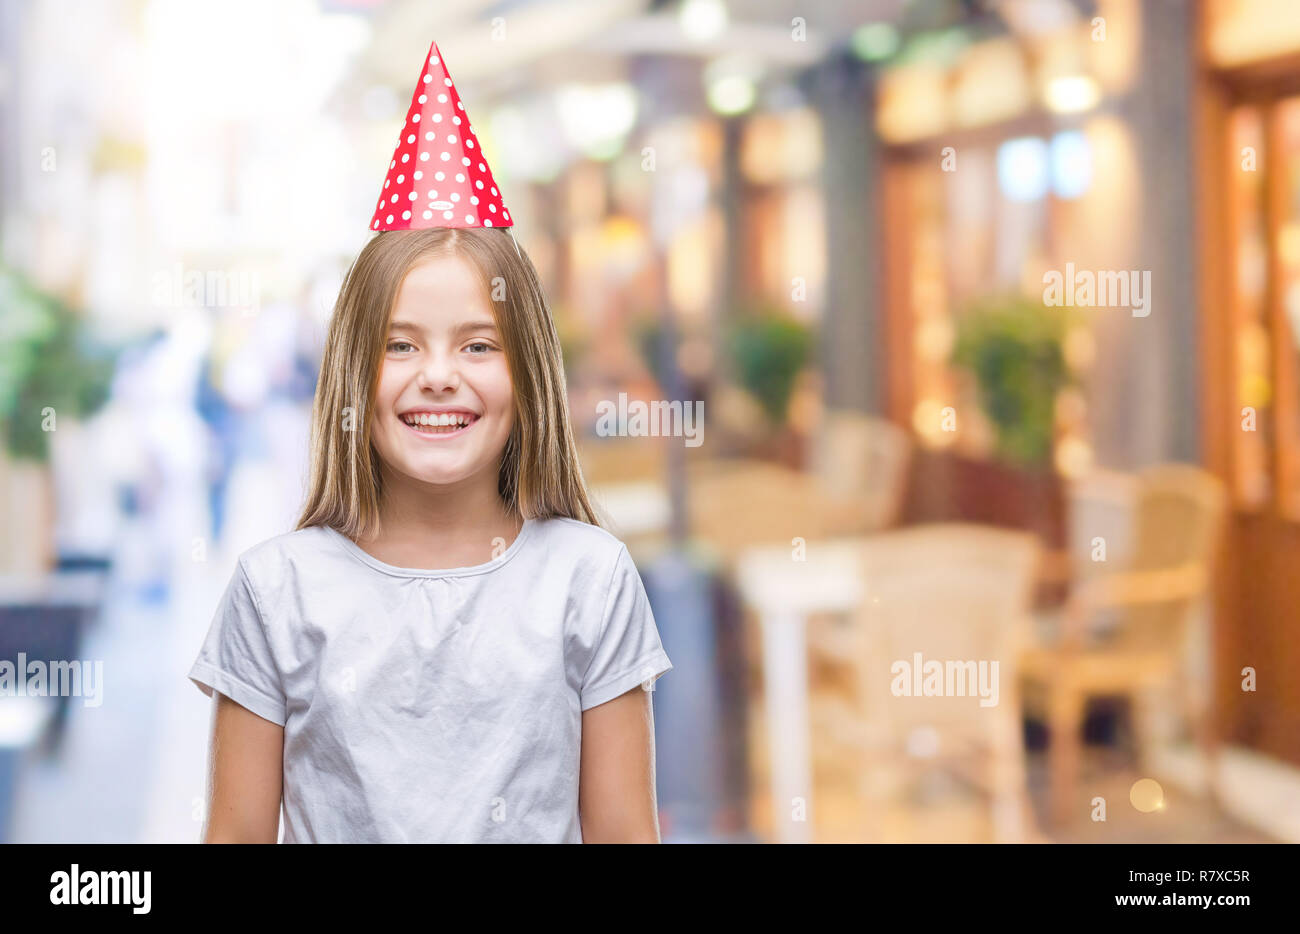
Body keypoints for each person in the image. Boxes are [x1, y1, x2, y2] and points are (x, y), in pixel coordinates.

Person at [186, 41, 672, 843]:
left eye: (478, 346)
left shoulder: (589, 580)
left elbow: (625, 834)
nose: (439, 375)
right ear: (352, 373)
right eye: (400, 345)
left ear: (528, 376)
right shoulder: (276, 592)